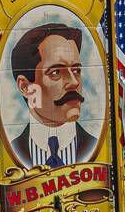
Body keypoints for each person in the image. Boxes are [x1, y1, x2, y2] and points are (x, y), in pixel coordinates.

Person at [9, 24, 99, 169]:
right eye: (56, 72)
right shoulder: (14, 150)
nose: (74, 82)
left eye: (76, 70)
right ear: (26, 87)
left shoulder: (93, 145)